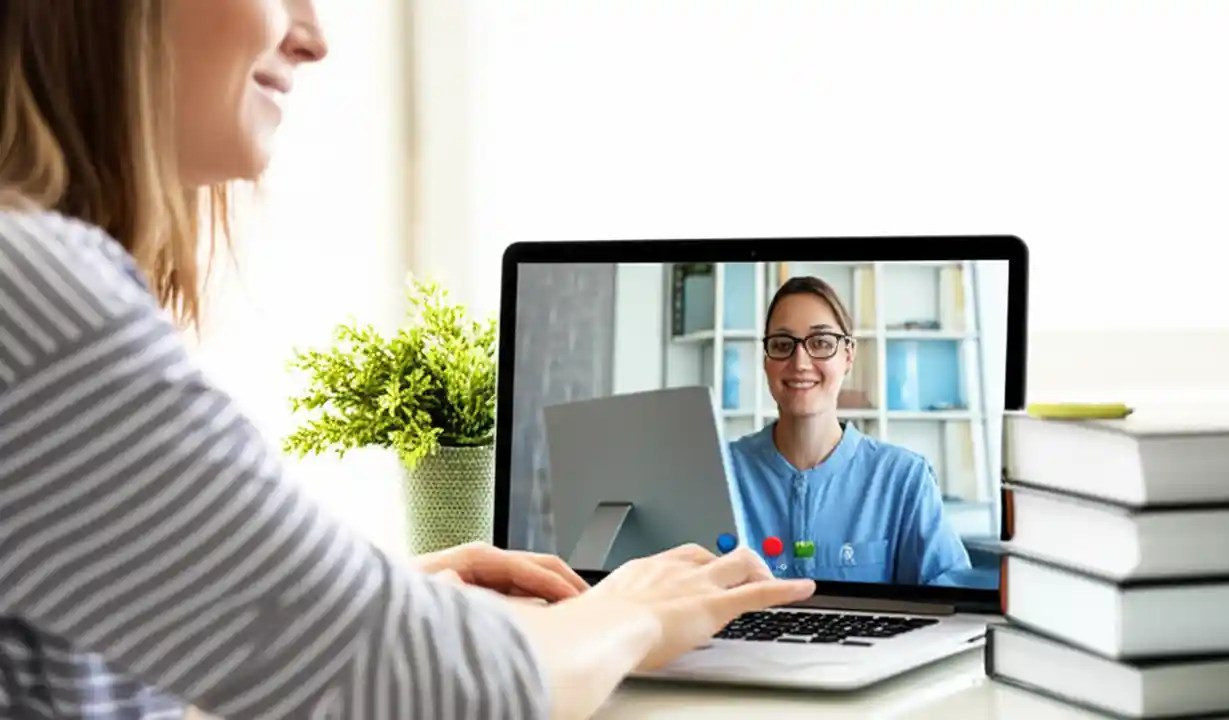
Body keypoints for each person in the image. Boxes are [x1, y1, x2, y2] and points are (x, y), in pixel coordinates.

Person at [0, 2, 816, 719]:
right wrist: (628, 610)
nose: (312, 36)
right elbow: (439, 694)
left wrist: (379, 607)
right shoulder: (29, 287)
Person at [727, 276, 973, 586]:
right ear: (766, 360)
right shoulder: (722, 471)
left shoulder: (903, 478)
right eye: (782, 345)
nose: (800, 362)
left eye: (821, 343)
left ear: (848, 355)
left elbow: (952, 601)